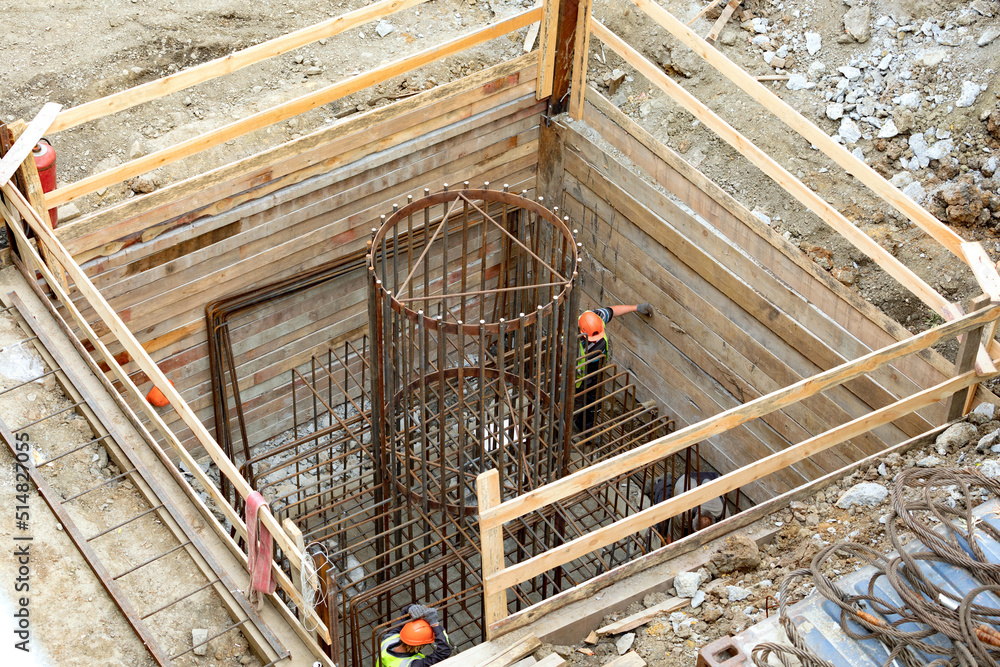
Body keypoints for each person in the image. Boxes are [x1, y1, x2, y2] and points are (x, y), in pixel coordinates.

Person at [574, 303, 653, 432]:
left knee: (594, 401)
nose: (595, 341)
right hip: (577, 375)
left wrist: (636, 307)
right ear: (582, 332)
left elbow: (614, 311)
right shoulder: (569, 339)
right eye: (592, 338)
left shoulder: (597, 318)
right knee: (574, 403)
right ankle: (561, 433)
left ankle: (584, 427)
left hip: (596, 367)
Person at [651, 470, 725, 542]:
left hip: (713, 479)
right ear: (692, 520)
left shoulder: (720, 512)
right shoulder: (683, 512)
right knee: (664, 521)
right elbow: (671, 540)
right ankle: (661, 482)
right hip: (686, 482)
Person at [377, 604, 453, 667]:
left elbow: (403, 619)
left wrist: (411, 609)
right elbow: (444, 652)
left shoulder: (388, 640)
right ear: (419, 646)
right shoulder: (411, 665)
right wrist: (435, 625)